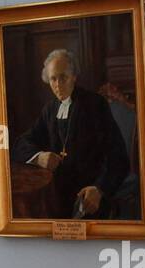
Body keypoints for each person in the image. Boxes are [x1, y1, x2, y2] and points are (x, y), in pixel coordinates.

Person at [10, 49, 129, 219]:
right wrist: (39, 157)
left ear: (74, 76)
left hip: (89, 193)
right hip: (57, 192)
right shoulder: (50, 109)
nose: (58, 84)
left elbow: (119, 158)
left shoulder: (95, 105)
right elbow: (20, 144)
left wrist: (100, 189)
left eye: (63, 77)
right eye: (53, 78)